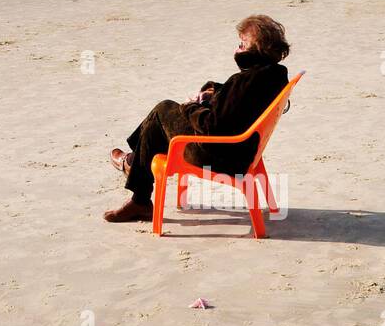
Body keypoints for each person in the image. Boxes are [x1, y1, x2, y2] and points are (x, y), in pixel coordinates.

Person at [103, 14, 290, 223]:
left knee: (162, 110)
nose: (237, 49)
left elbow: (211, 126)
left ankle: (139, 191)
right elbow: (238, 103)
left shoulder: (244, 81)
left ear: (258, 51)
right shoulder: (275, 74)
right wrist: (215, 91)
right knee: (160, 123)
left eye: (242, 45)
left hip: (219, 156)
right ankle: (135, 163)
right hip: (246, 149)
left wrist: (190, 107)